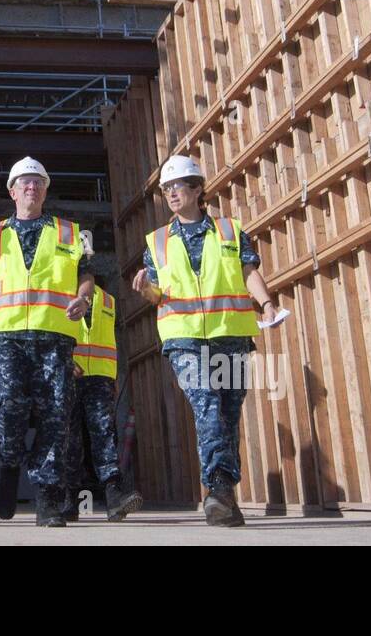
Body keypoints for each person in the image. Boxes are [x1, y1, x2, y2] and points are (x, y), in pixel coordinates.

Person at [132, 154, 277, 528]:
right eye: (165, 190)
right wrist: (146, 288)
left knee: (227, 416)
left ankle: (225, 493)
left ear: (197, 189)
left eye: (176, 186)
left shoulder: (229, 231)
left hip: (231, 335)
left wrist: (266, 303)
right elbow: (156, 295)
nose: (170, 194)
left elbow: (248, 270)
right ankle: (215, 488)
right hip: (184, 339)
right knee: (208, 406)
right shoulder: (157, 241)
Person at [0, 157, 92, 528]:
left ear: (46, 189)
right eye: (24, 182)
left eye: (37, 181)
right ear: (12, 191)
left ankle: (48, 498)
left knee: (57, 411)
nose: (31, 187)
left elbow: (86, 275)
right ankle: (9, 463)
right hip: (8, 337)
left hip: (54, 337)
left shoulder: (70, 232)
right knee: (6, 407)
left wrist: (84, 299)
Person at [62, 285, 143, 521]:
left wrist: (113, 376)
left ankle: (114, 496)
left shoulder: (109, 300)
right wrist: (65, 361)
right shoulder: (60, 292)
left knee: (104, 434)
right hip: (69, 376)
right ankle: (70, 498)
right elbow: (50, 333)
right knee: (70, 438)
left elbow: (111, 341)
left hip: (101, 378)